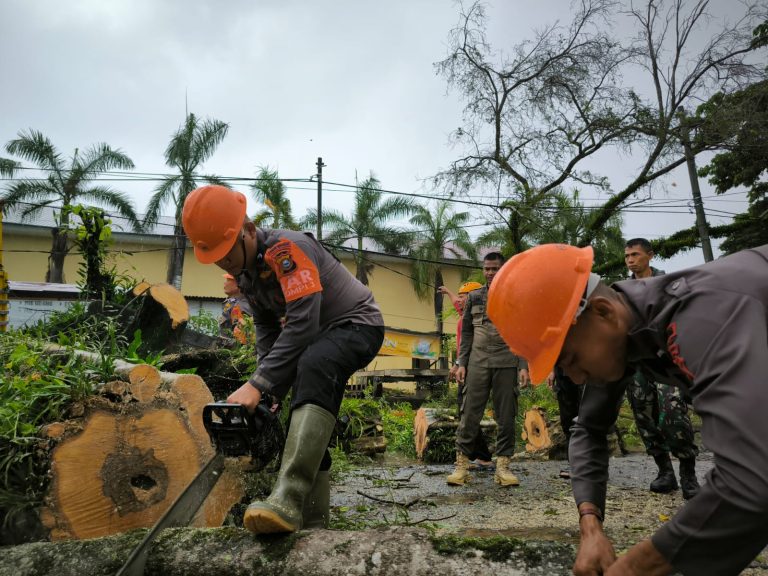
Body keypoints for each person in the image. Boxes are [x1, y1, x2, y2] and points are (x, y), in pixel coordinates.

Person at [487, 243, 768, 576]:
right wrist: (591, 526)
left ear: (604, 312)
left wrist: (638, 567)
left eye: (572, 359)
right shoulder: (627, 331)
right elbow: (589, 430)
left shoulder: (700, 317)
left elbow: (752, 479)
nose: (576, 377)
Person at [182, 184, 385, 534]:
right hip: (320, 340)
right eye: (216, 256)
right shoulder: (246, 277)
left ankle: (288, 498)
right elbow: (266, 330)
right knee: (303, 409)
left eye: (228, 251)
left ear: (247, 229)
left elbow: (304, 321)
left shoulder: (286, 249)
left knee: (314, 364)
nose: (224, 261)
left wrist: (258, 384)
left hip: (357, 324)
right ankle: (313, 521)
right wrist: (268, 389)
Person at [624, 238, 700, 499]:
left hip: (667, 361)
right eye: (627, 256)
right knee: (643, 414)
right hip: (639, 364)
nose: (631, 260)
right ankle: (664, 472)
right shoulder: (624, 291)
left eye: (635, 254)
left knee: (672, 412)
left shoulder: (667, 285)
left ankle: (688, 474)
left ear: (650, 256)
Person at [447, 252, 530, 487]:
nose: (490, 273)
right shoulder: (474, 297)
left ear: (504, 270)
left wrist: (523, 366)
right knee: (469, 414)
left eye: (495, 269)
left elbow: (521, 333)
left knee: (506, 417)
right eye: (487, 269)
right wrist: (461, 363)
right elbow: (467, 335)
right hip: (477, 363)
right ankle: (461, 465)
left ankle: (503, 466)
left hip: (507, 362)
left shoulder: (516, 297)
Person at [438, 280, 494, 470]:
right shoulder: (465, 314)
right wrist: (448, 292)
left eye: (464, 297)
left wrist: (457, 364)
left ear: (474, 298)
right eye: (460, 297)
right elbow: (457, 301)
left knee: (467, 412)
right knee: (463, 411)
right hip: (465, 369)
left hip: (472, 370)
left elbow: (469, 347)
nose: (459, 301)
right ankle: (477, 456)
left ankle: (480, 456)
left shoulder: (475, 319)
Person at [219, 272, 253, 344]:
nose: (225, 283)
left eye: (228, 280)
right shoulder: (231, 302)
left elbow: (241, 338)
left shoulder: (240, 305)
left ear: (238, 285)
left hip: (235, 351)